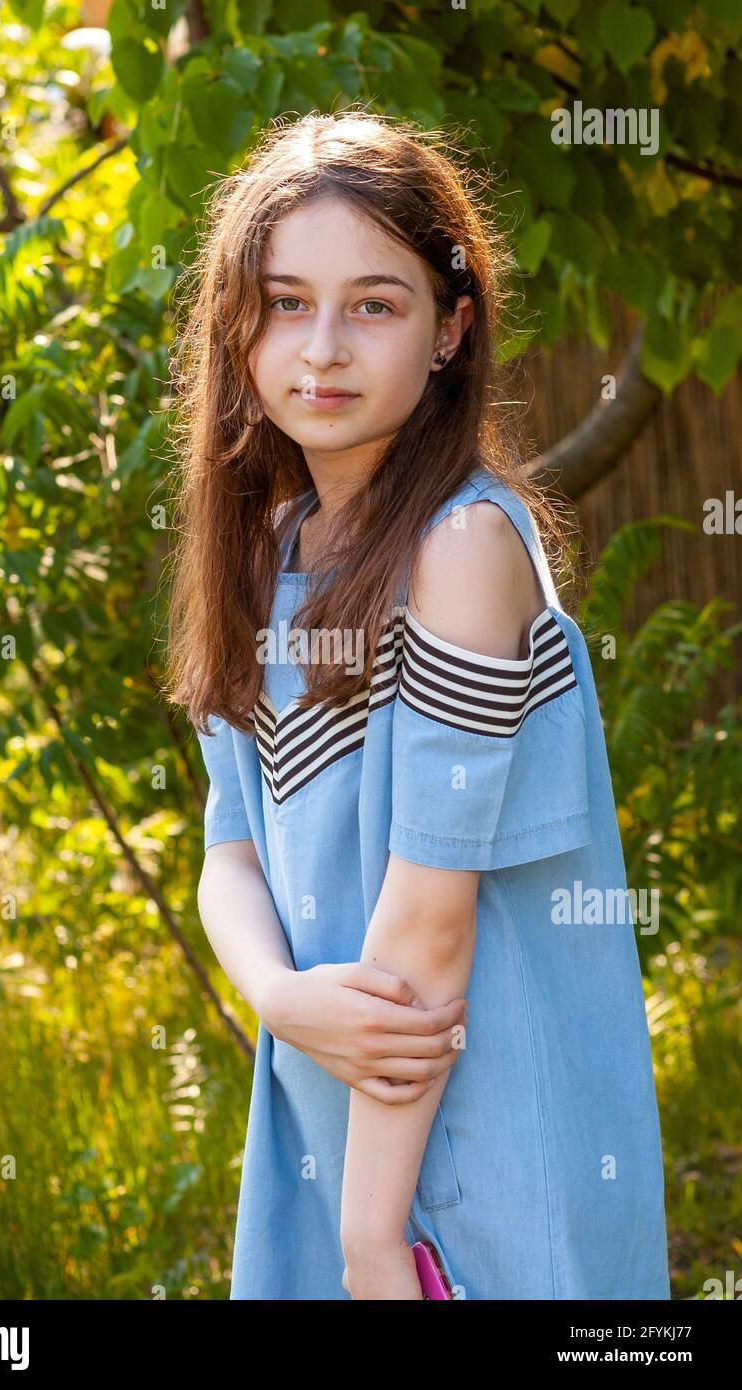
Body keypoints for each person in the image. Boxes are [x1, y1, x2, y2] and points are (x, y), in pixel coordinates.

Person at [166, 108, 671, 1301]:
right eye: (286, 302)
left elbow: (427, 937)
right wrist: (283, 1000)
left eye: (374, 304)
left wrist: (372, 1243)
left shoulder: (464, 551)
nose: (323, 348)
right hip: (324, 1118)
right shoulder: (262, 554)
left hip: (479, 1142)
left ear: (451, 329)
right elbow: (229, 851)